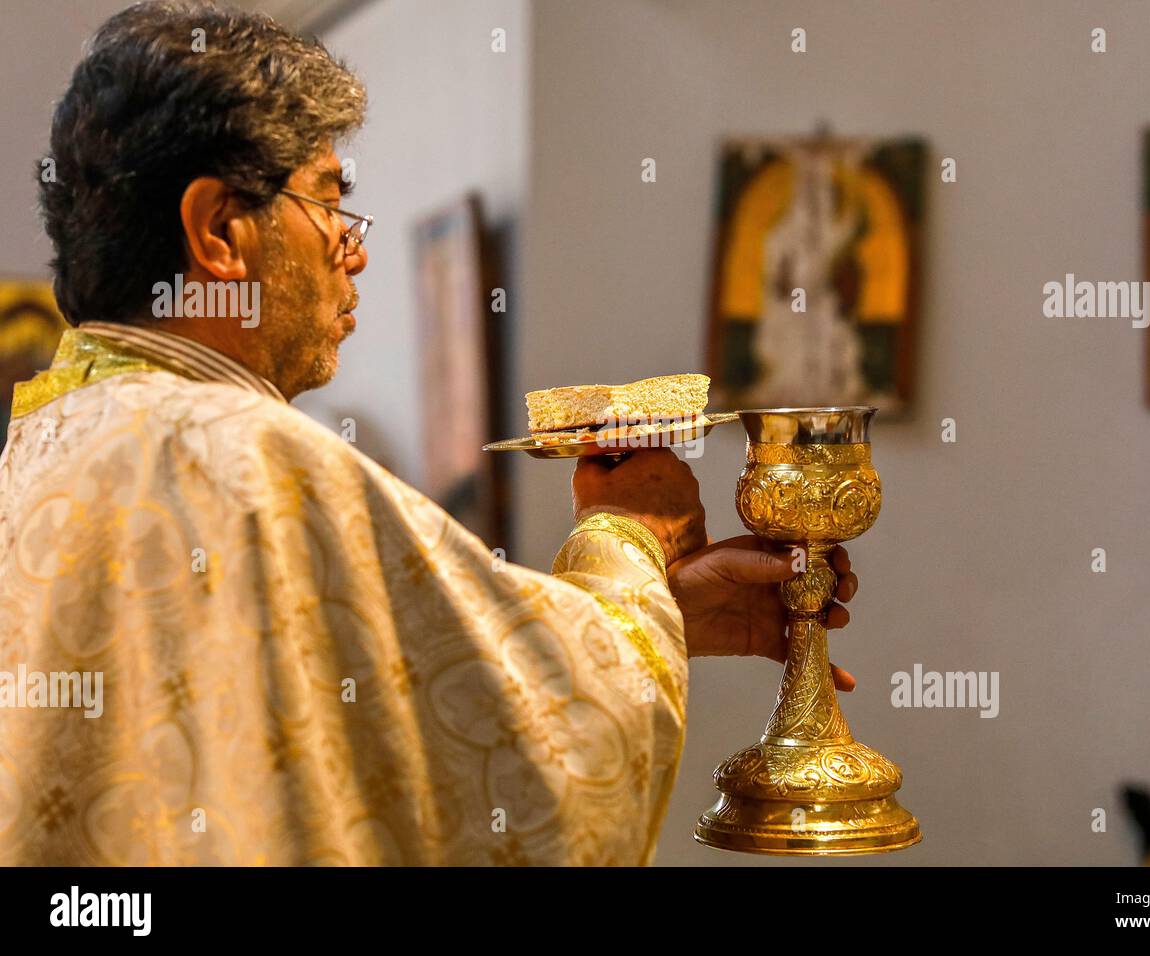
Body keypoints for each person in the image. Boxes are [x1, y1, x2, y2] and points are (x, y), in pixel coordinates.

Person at [0, 1, 858, 865]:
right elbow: (543, 749)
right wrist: (630, 537)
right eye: (329, 200)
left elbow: (346, 717)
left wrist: (661, 609)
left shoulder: (45, 440)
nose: (353, 249)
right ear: (220, 231)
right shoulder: (238, 455)